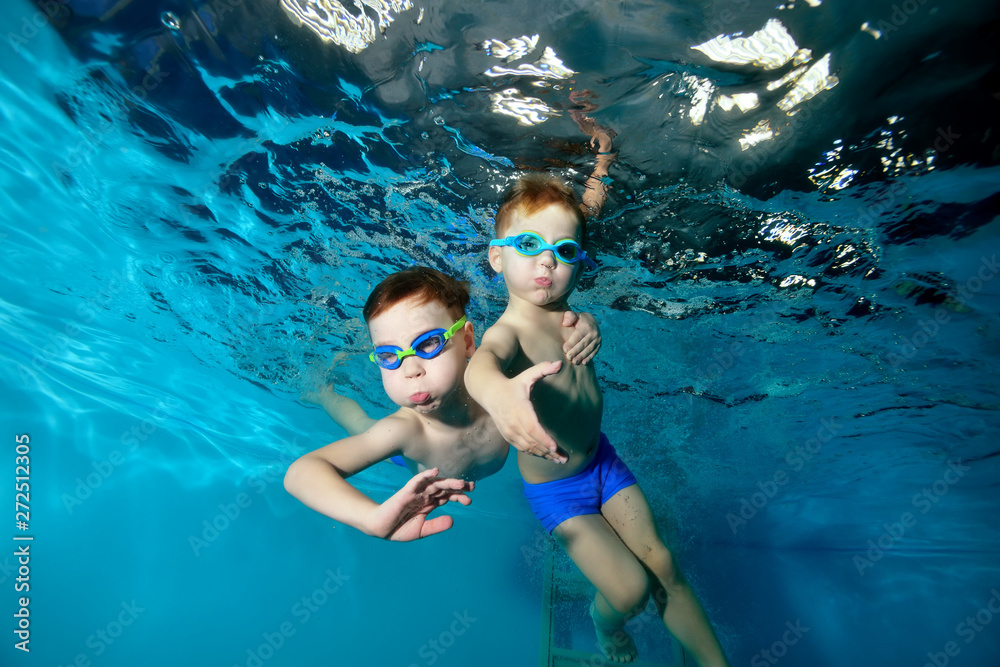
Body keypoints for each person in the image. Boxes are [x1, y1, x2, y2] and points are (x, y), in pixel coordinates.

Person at [464, 175, 729, 665]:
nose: (547, 260)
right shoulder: (509, 333)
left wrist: (591, 320)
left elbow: (581, 245)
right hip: (559, 491)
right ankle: (603, 624)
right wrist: (499, 395)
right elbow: (480, 367)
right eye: (528, 245)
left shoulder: (575, 317)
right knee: (629, 593)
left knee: (664, 564)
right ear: (496, 256)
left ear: (578, 264)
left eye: (563, 250)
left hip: (603, 461)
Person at [284, 266, 602, 541]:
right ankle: (326, 395)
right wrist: (370, 519)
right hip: (413, 454)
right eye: (388, 355)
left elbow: (544, 322)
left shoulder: (501, 379)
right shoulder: (401, 432)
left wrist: (584, 324)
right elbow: (301, 472)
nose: (410, 370)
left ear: (467, 341)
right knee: (363, 425)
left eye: (428, 343)